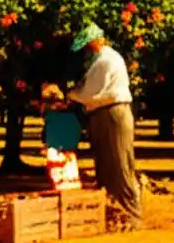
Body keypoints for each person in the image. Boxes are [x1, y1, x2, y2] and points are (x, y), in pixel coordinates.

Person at [67, 23, 142, 231]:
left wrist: (69, 94)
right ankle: (113, 213)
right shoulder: (104, 60)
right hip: (104, 113)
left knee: (119, 164)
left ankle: (131, 215)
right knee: (107, 165)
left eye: (86, 47)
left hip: (112, 113)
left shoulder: (104, 61)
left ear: (94, 42)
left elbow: (89, 94)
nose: (86, 52)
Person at [41, 84, 82, 191]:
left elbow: (48, 133)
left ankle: (61, 190)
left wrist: (46, 143)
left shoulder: (50, 116)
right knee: (69, 171)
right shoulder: (71, 115)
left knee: (57, 171)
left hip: (56, 148)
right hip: (69, 148)